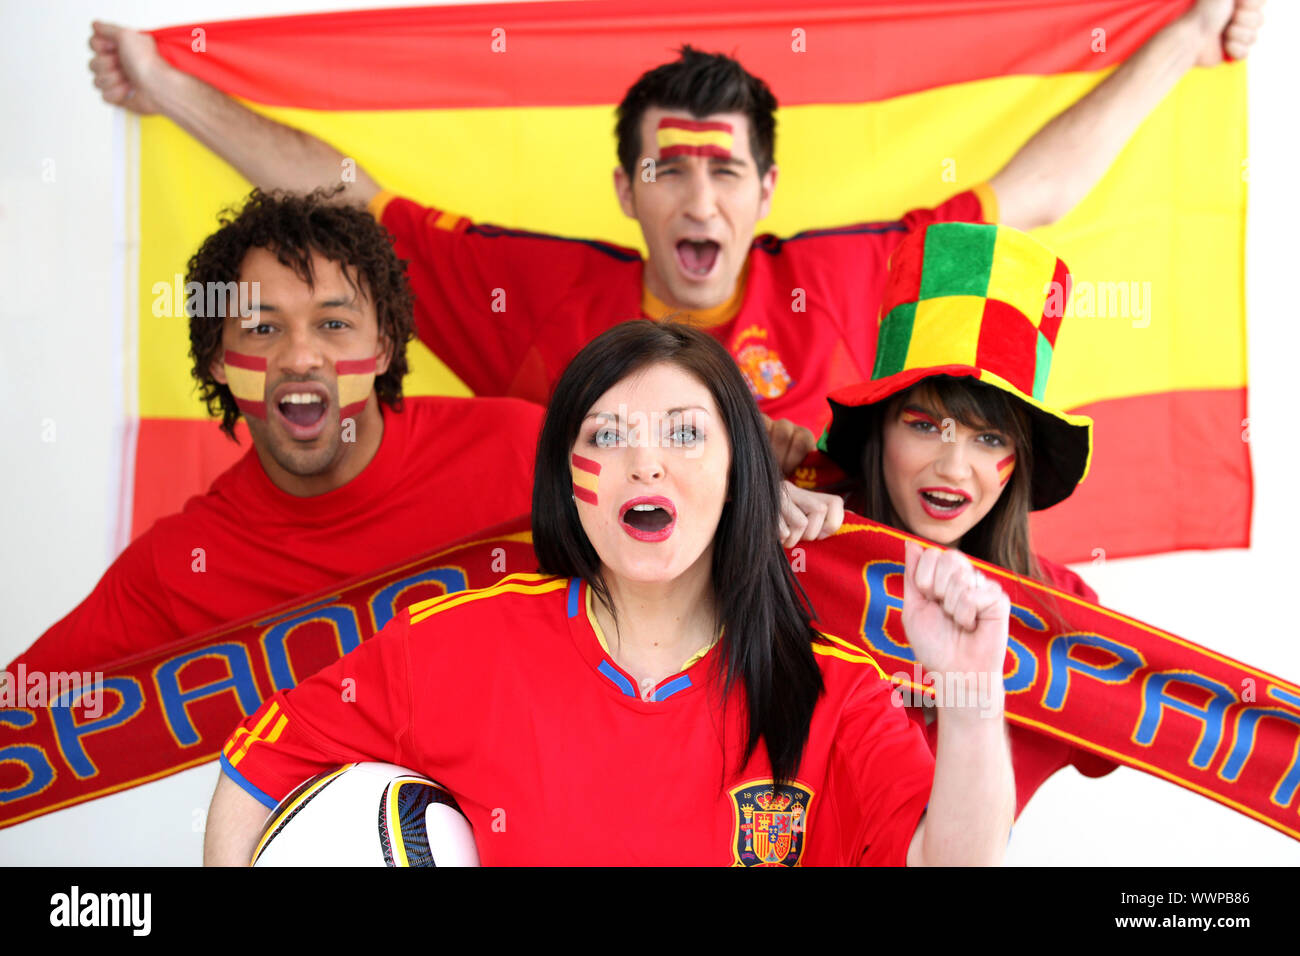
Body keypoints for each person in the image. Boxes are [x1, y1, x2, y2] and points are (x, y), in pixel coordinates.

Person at [85, 1, 1263, 439]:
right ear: (625, 192)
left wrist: (1180, 36)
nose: (698, 198)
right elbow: (346, 201)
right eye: (669, 171)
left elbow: (1036, 193)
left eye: (723, 173)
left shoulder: (855, 283)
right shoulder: (539, 297)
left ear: (764, 194)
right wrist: (168, 85)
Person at [204, 320, 1015, 866]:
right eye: (607, 436)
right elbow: (257, 764)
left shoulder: (836, 692)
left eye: (686, 434)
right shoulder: (452, 647)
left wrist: (973, 697)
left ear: (742, 476)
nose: (646, 464)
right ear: (567, 476)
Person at [6, 189, 546, 676]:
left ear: (382, 347)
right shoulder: (177, 566)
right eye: (263, 329)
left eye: (334, 324)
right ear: (217, 360)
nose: (301, 357)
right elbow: (19, 727)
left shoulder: (521, 449)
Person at [818, 220, 1117, 816]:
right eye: (925, 426)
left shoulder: (1063, 609)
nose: (955, 467)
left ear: (1019, 460)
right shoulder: (805, 548)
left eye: (988, 437)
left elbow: (1121, 736)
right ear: (879, 428)